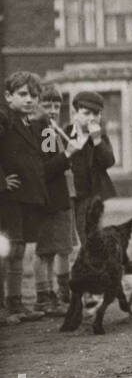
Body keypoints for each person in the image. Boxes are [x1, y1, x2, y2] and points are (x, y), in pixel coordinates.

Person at [0, 71, 51, 323]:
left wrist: (46, 123)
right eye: (22, 94)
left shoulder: (31, 124)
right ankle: (5, 306)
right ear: (8, 96)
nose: (29, 100)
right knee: (6, 250)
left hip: (25, 197)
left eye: (33, 95)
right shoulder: (4, 120)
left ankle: (16, 303)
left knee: (18, 249)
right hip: (7, 199)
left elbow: (45, 156)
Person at [34, 86, 74, 315]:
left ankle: (52, 295)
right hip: (50, 199)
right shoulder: (44, 130)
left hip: (60, 197)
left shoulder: (51, 129)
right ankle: (44, 297)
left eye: (57, 106)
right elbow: (47, 169)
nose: (52, 110)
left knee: (58, 248)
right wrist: (69, 154)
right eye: (47, 105)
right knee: (45, 251)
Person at [65, 91, 115, 246]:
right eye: (86, 113)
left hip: (91, 195)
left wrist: (97, 139)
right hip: (69, 194)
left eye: (97, 113)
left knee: (90, 235)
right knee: (66, 240)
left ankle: (94, 266)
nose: (92, 118)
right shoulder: (64, 134)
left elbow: (109, 161)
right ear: (75, 113)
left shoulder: (99, 136)